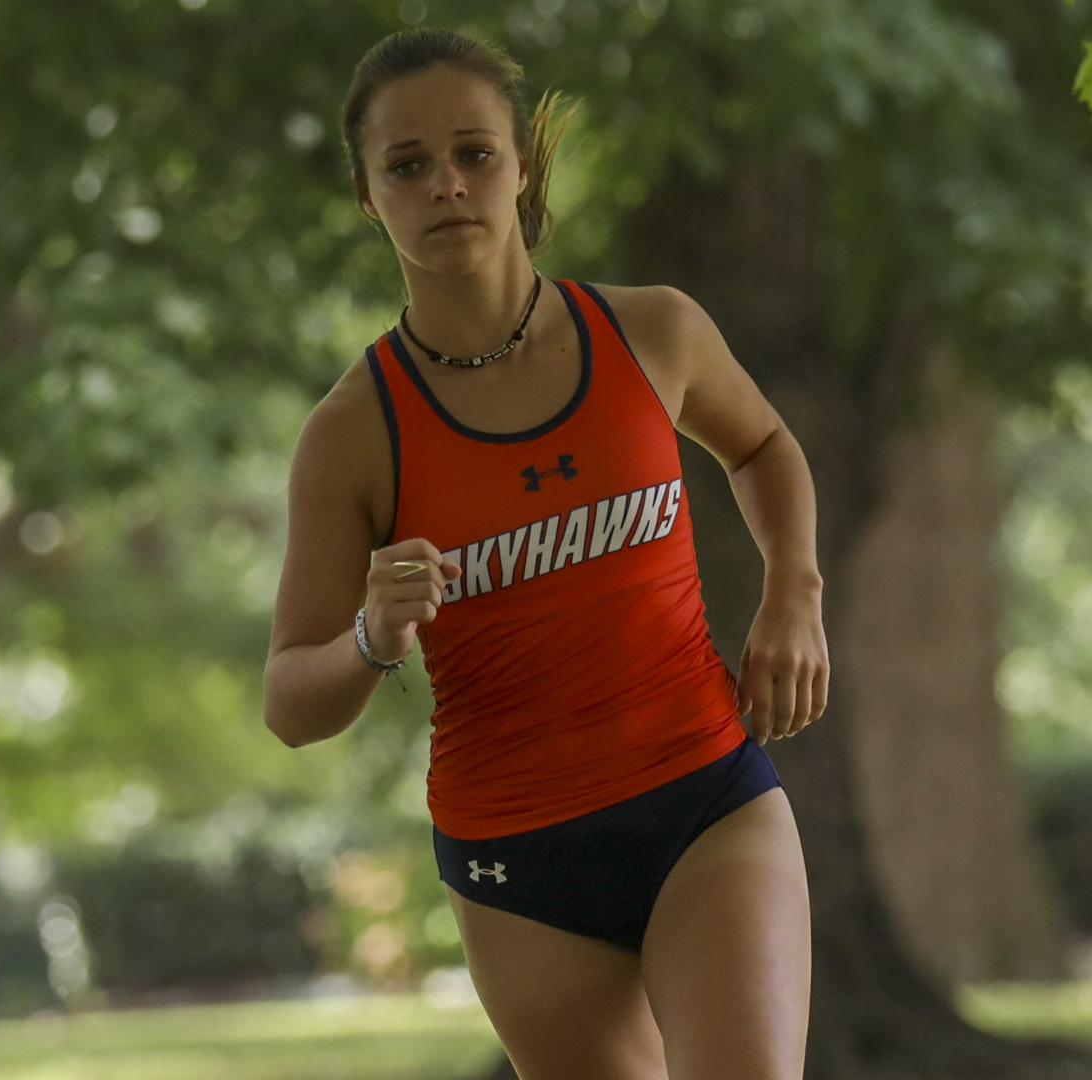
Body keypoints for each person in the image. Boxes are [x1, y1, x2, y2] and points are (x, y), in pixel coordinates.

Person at [263, 27, 829, 1080]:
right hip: (518, 862)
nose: (447, 186)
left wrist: (793, 592)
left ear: (523, 165)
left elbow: (762, 445)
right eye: (407, 165)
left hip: (704, 797)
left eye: (474, 153)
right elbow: (293, 701)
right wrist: (370, 636)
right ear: (366, 193)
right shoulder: (354, 432)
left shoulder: (653, 333)